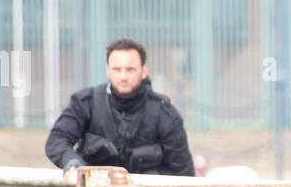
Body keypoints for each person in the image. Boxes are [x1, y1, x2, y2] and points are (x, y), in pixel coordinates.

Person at [45, 38, 195, 177]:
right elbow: (57, 140)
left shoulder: (164, 113)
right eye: (117, 69)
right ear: (108, 71)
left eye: (130, 69)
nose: (123, 76)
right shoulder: (86, 102)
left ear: (144, 71)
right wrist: (72, 163)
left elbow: (182, 172)